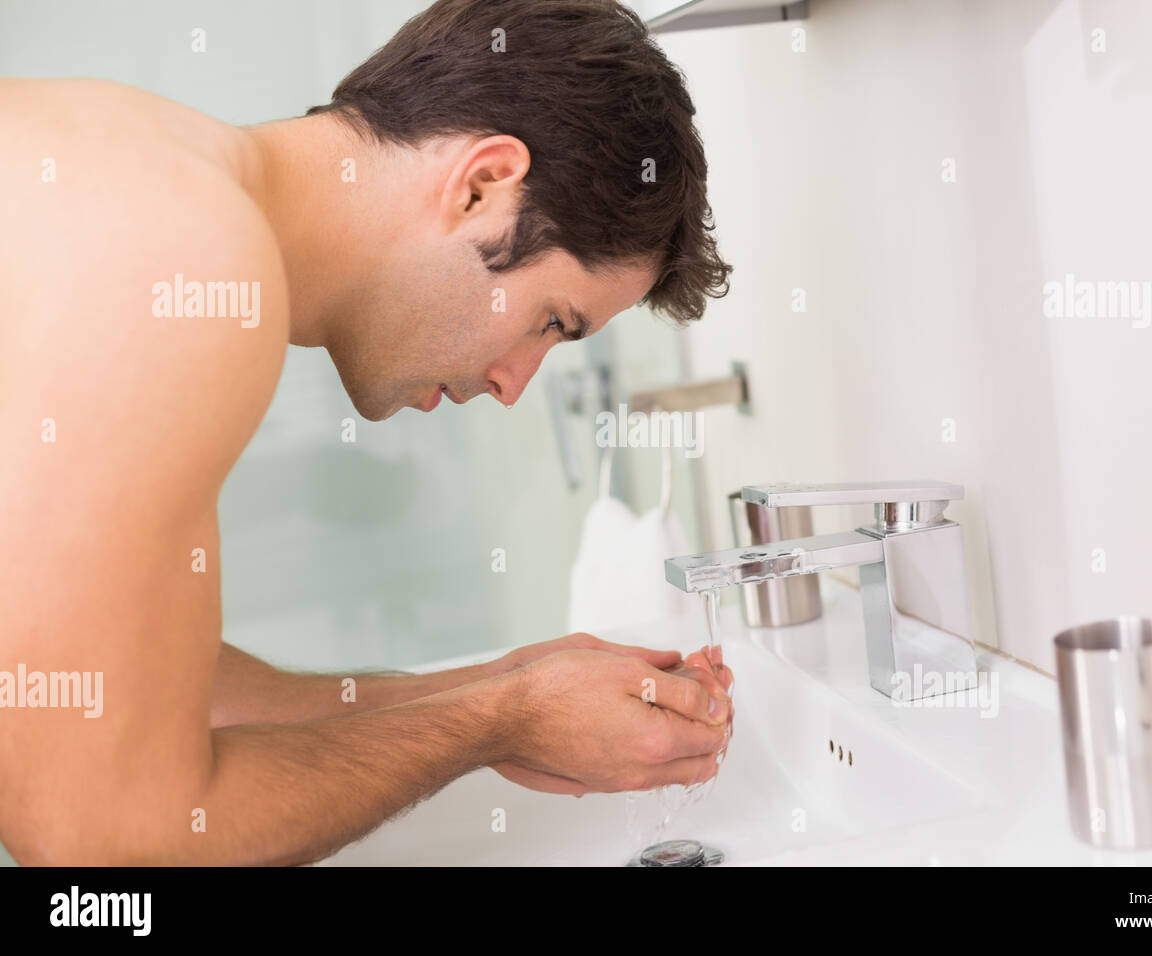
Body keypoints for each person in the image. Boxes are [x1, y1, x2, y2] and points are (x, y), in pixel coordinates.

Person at [0, 0, 733, 865]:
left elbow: (160, 697)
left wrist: (506, 689)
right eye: (550, 321)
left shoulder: (139, 176)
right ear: (482, 185)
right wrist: (500, 720)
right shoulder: (184, 257)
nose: (512, 386)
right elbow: (103, 837)